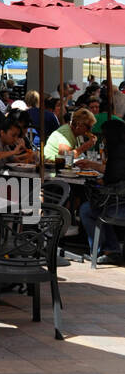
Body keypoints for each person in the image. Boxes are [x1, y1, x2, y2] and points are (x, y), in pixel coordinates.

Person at [79, 104, 125, 263]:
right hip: (118, 203)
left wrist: (99, 180)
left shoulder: (118, 153)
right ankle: (111, 249)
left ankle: (102, 251)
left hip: (120, 207)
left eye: (105, 136)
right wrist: (93, 166)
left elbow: (110, 179)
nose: (103, 139)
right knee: (99, 208)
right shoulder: (120, 151)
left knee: (87, 209)